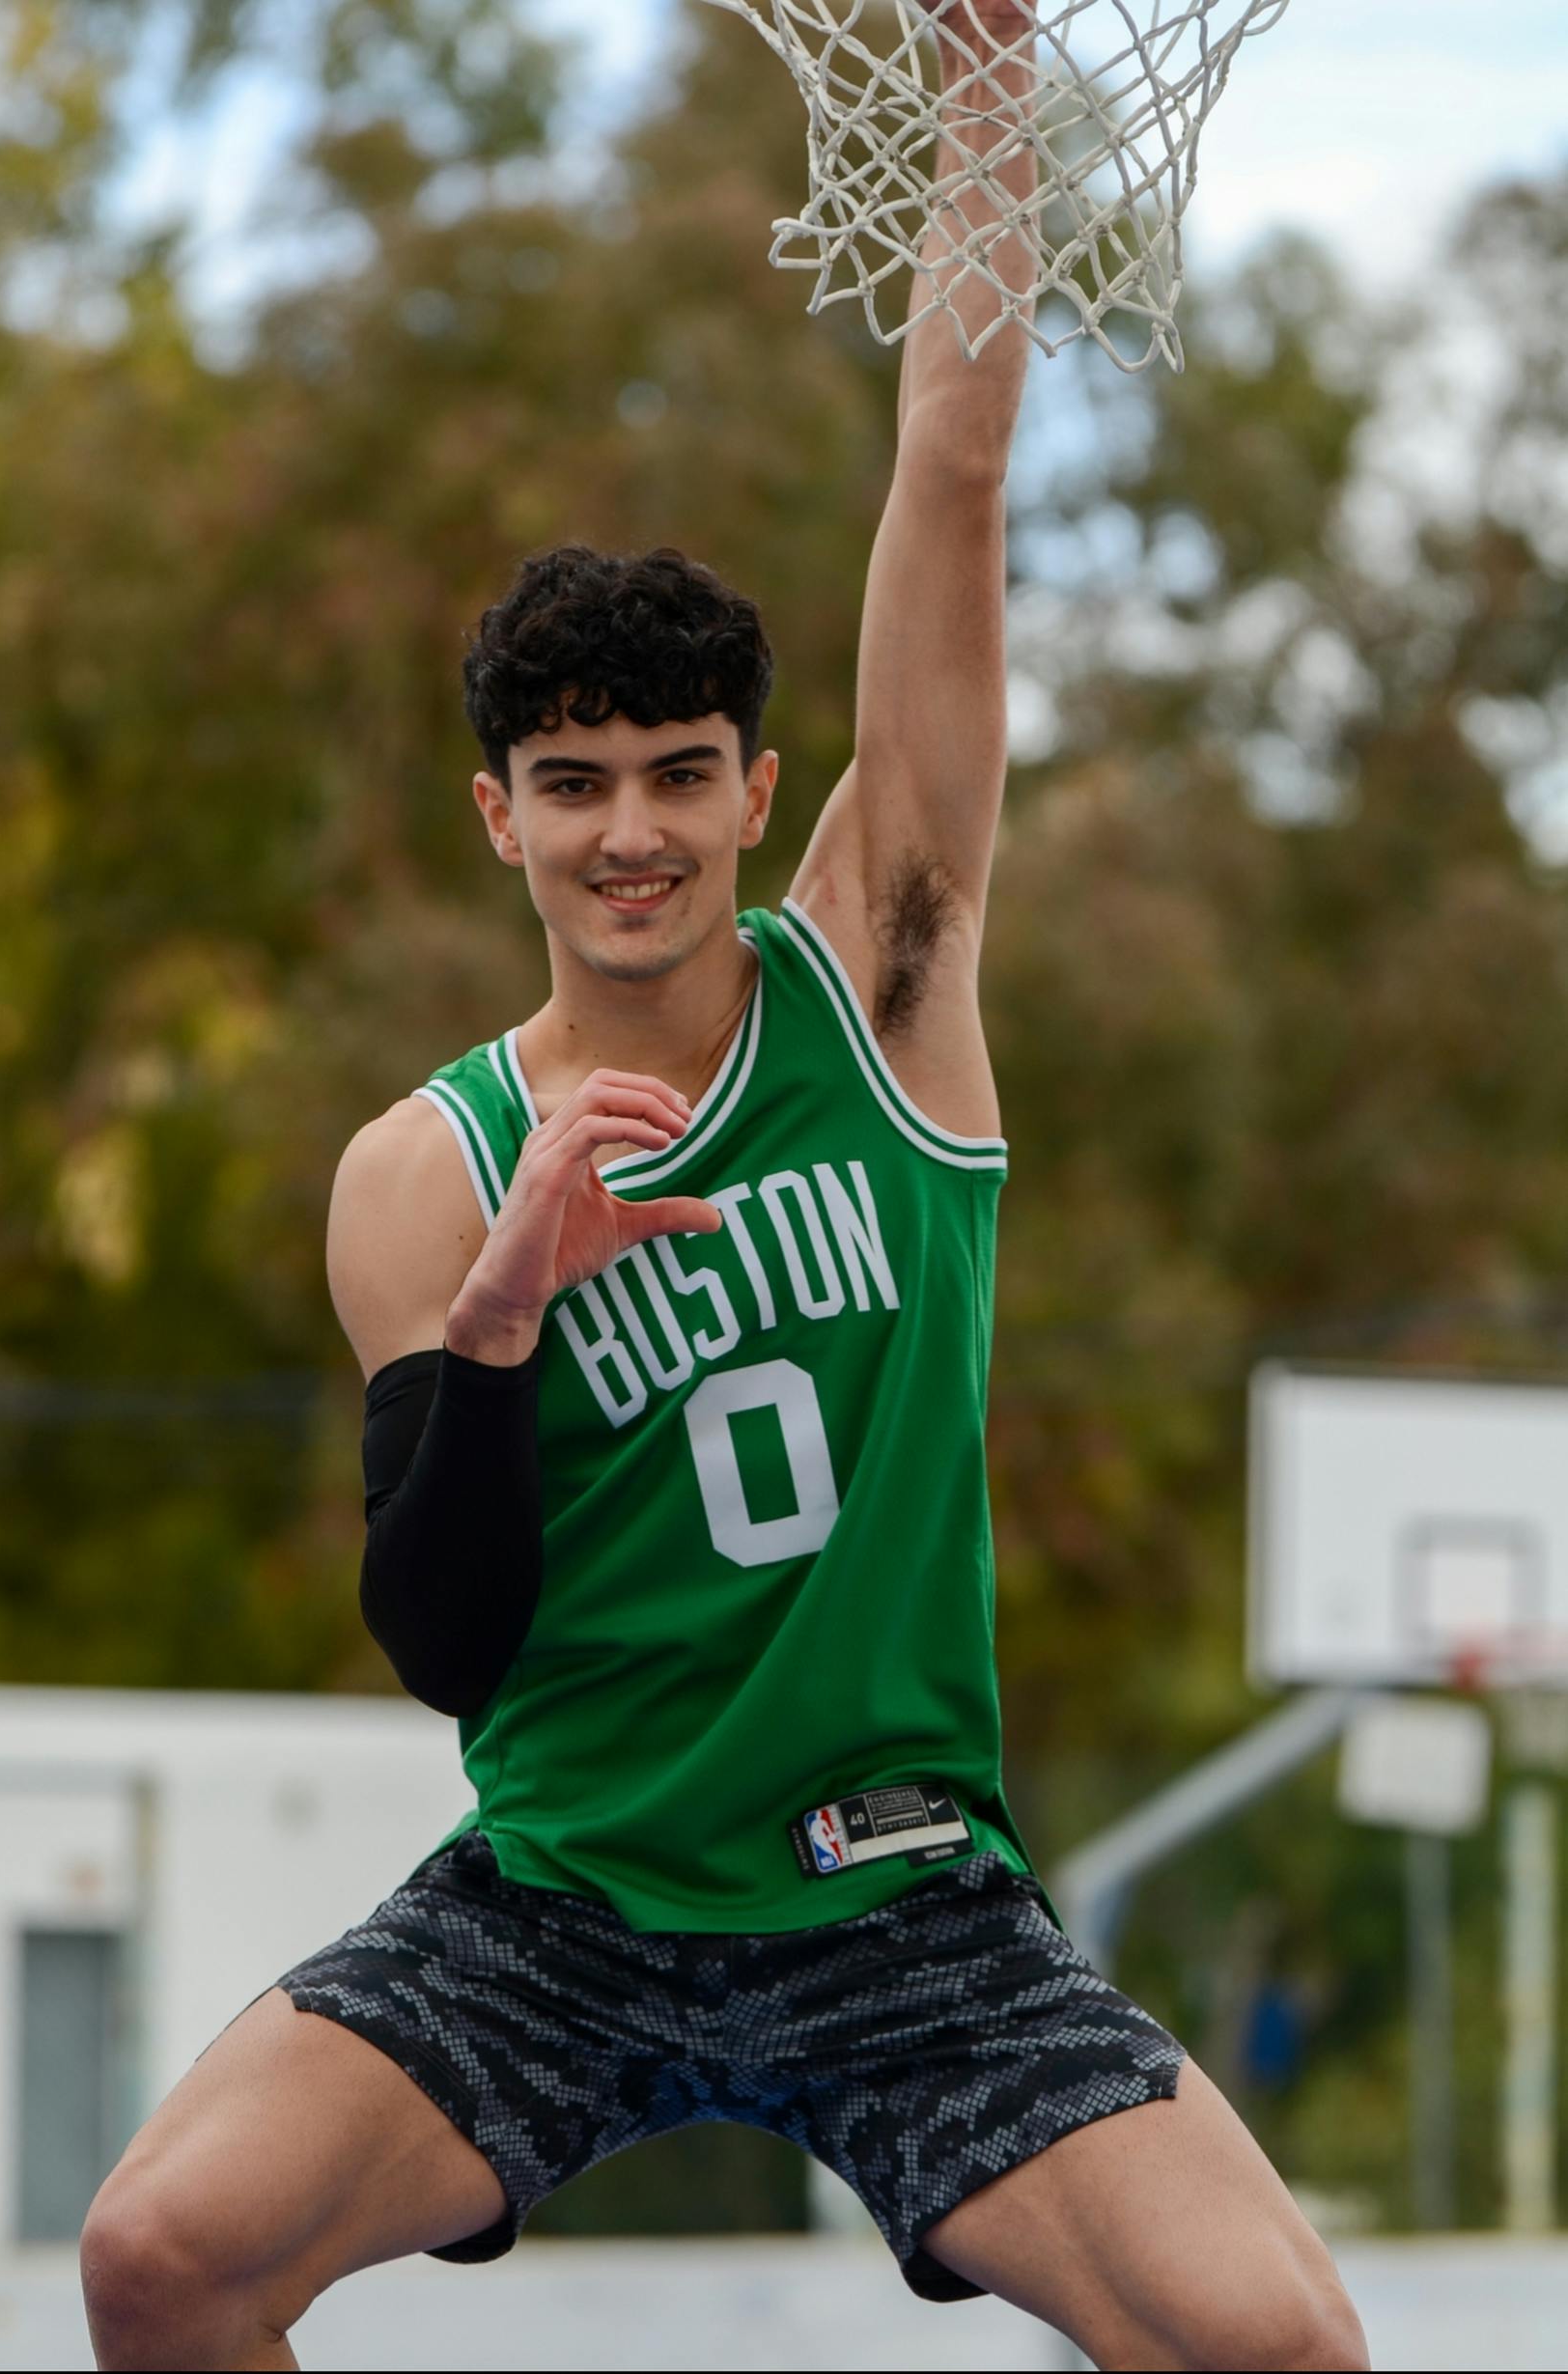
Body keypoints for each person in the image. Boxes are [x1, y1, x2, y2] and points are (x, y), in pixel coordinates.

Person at [79, 6, 1367, 2367]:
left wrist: (987, 97)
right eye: (573, 783)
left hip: (900, 1902)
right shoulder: (414, 1167)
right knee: (161, 2258)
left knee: (1277, 2342)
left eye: (681, 772)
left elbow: (952, 484)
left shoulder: (882, 988)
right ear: (503, 817)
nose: (632, 830)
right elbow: (448, 1649)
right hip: (566, 1892)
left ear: (760, 791)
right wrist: (493, 1318)